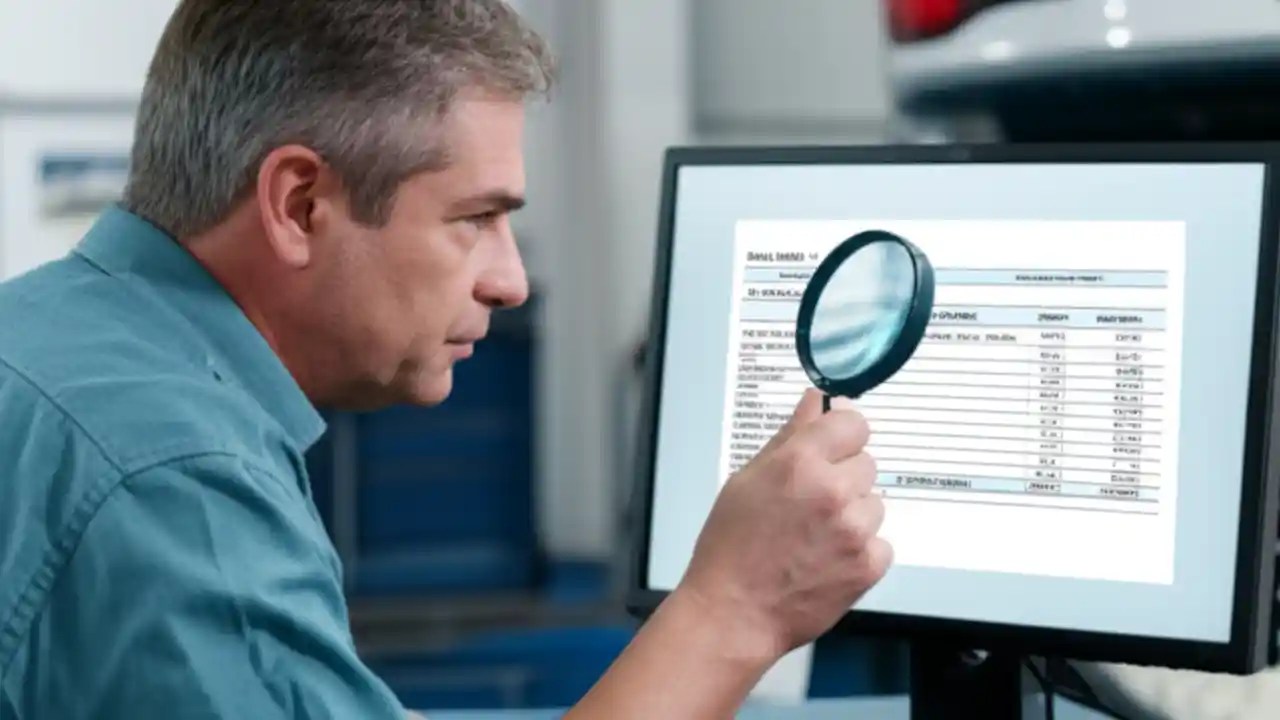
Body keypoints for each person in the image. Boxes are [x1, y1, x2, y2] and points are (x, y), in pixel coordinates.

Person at [0, 2, 891, 718]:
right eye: (475, 219)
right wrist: (731, 610)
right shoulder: (176, 484)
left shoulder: (45, 334)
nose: (510, 281)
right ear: (300, 203)